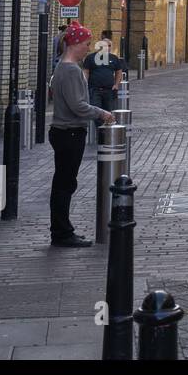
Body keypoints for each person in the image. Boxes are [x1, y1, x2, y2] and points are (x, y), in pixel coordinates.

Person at [48, 22, 115, 248]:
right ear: (75, 44)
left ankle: (62, 230)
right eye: (87, 43)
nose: (88, 47)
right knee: (65, 184)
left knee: (64, 183)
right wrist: (102, 113)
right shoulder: (70, 69)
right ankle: (62, 233)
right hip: (69, 133)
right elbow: (78, 105)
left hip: (65, 132)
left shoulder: (64, 67)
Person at [83, 30, 127, 115]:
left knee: (109, 112)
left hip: (109, 90)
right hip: (94, 90)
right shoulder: (90, 58)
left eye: (110, 45)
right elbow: (86, 72)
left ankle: (105, 128)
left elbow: (119, 71)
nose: (108, 47)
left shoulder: (114, 58)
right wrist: (85, 85)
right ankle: (98, 128)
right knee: (96, 112)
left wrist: (116, 84)